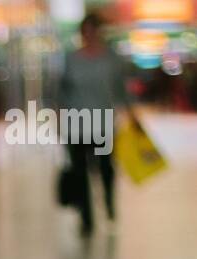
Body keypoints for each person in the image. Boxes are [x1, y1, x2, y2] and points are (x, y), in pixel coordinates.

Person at [60, 11, 133, 236]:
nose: (89, 36)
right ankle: (87, 217)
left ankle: (109, 204)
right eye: (85, 32)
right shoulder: (71, 59)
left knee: (105, 168)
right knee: (80, 171)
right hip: (76, 123)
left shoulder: (112, 59)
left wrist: (131, 112)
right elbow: (61, 90)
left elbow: (120, 89)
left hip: (103, 123)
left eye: (93, 31)